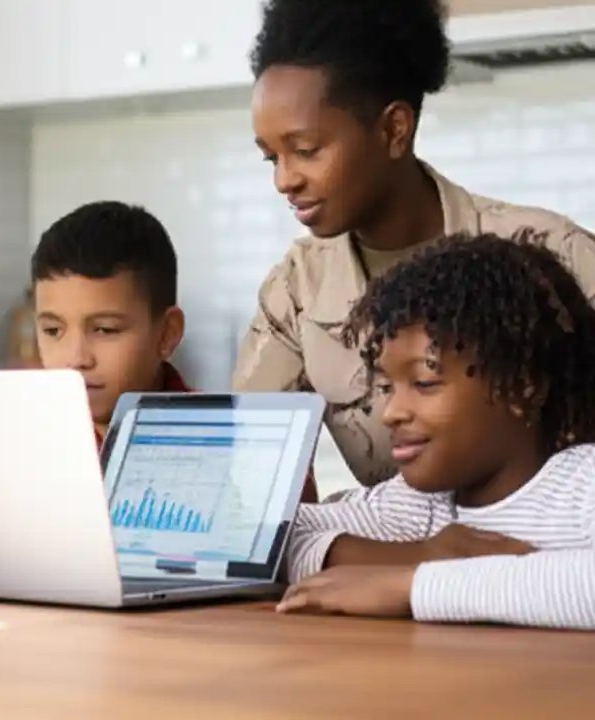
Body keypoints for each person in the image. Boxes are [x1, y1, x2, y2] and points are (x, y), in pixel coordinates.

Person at [234, 0, 595, 488]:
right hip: (397, 554)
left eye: (305, 150)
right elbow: (250, 466)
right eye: (270, 157)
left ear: (393, 129)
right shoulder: (296, 293)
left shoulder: (553, 253)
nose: (284, 179)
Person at [277, 232, 595, 630]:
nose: (391, 413)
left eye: (425, 384)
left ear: (521, 385)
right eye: (387, 387)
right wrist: (419, 553)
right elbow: (274, 532)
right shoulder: (417, 505)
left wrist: (410, 586)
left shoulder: (582, 487)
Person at [32, 201, 316, 501]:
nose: (75, 358)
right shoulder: (22, 445)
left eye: (105, 329)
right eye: (53, 331)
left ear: (167, 333)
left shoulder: (243, 452)